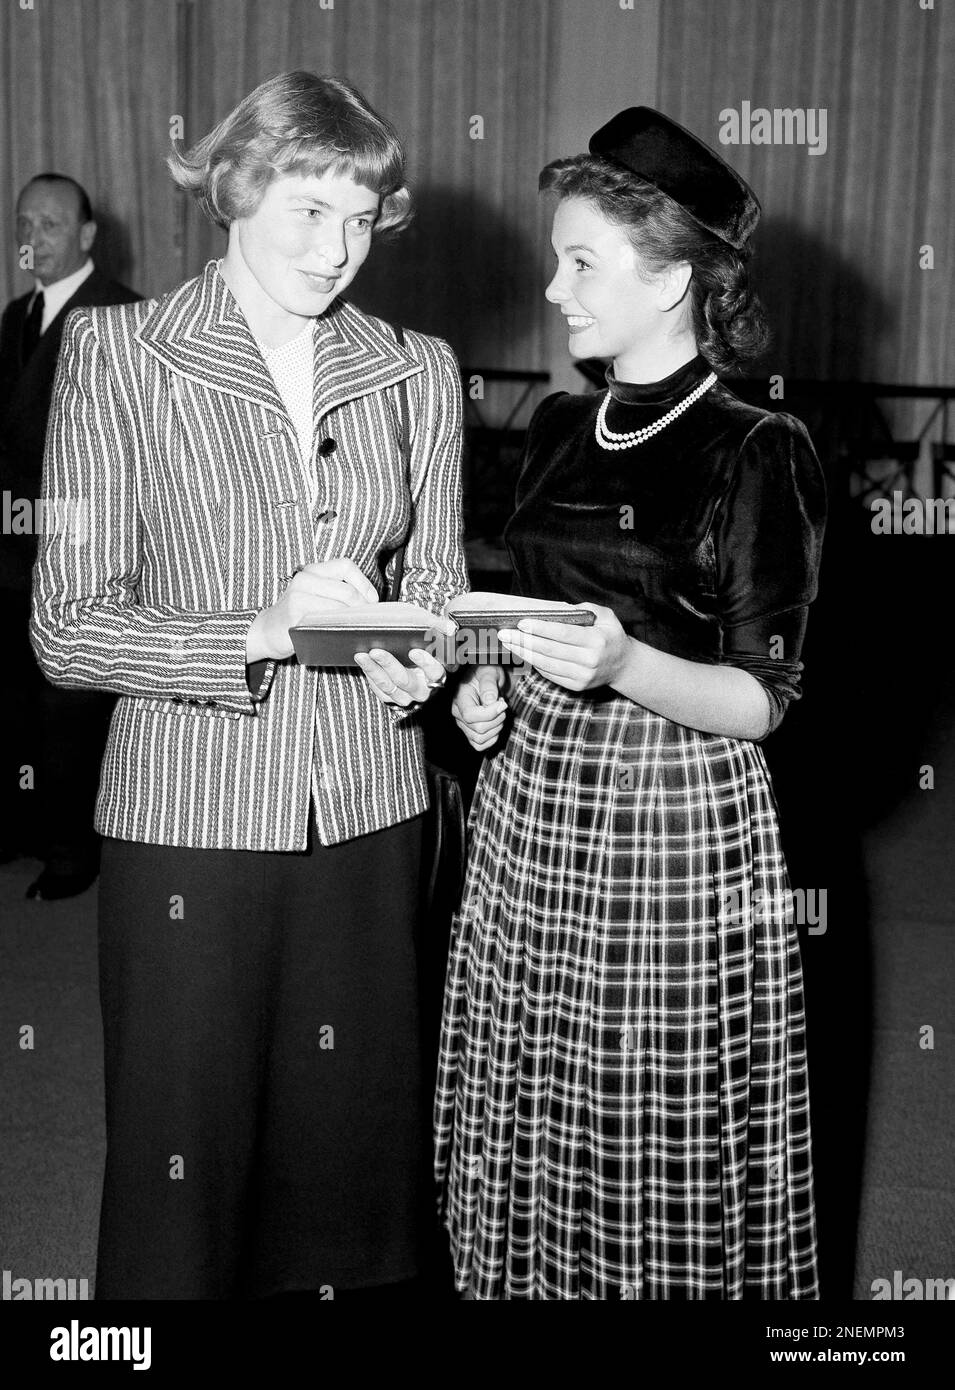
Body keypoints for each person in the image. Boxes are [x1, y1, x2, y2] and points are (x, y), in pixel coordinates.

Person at [30, 71, 466, 1300]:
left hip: (373, 819)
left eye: (364, 218)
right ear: (232, 190)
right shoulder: (118, 355)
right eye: (308, 213)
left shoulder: (416, 368)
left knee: (356, 1171)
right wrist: (260, 628)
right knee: (186, 1175)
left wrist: (425, 660)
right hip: (190, 822)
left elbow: (433, 585)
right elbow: (67, 628)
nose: (339, 251)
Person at [436, 107, 826, 1300]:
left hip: (669, 814)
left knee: (636, 1102)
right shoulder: (559, 426)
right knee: (531, 1085)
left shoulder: (758, 448)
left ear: (671, 280)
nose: (553, 288)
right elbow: (530, 608)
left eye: (581, 262)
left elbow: (766, 702)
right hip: (528, 806)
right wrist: (483, 691)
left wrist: (621, 670)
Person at [0, 174, 139, 897]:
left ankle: (71, 853)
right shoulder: (14, 314)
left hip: (77, 555)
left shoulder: (123, 315)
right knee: (15, 701)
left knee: (70, 711)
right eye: (24, 223)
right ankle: (21, 828)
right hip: (9, 552)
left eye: (50, 224)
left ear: (88, 235)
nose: (33, 238)